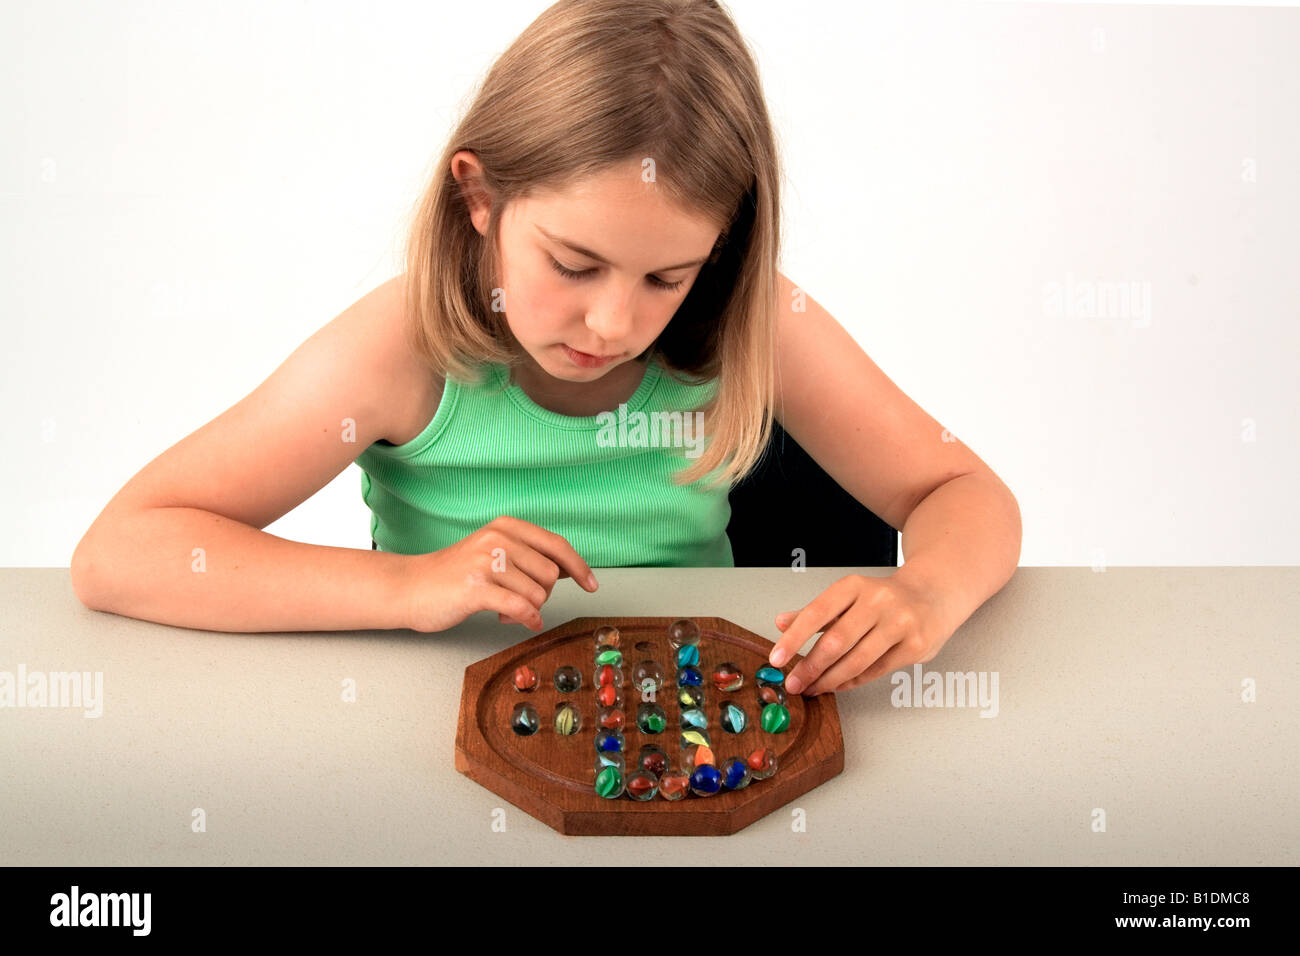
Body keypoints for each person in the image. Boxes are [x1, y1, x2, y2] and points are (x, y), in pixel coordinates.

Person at [71, 0, 1021, 695]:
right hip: (458, 715)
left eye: (666, 278)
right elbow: (121, 551)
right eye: (574, 264)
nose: (613, 327)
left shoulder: (754, 317)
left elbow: (965, 493)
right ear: (479, 197)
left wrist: (928, 593)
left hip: (691, 715)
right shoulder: (398, 352)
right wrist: (407, 586)